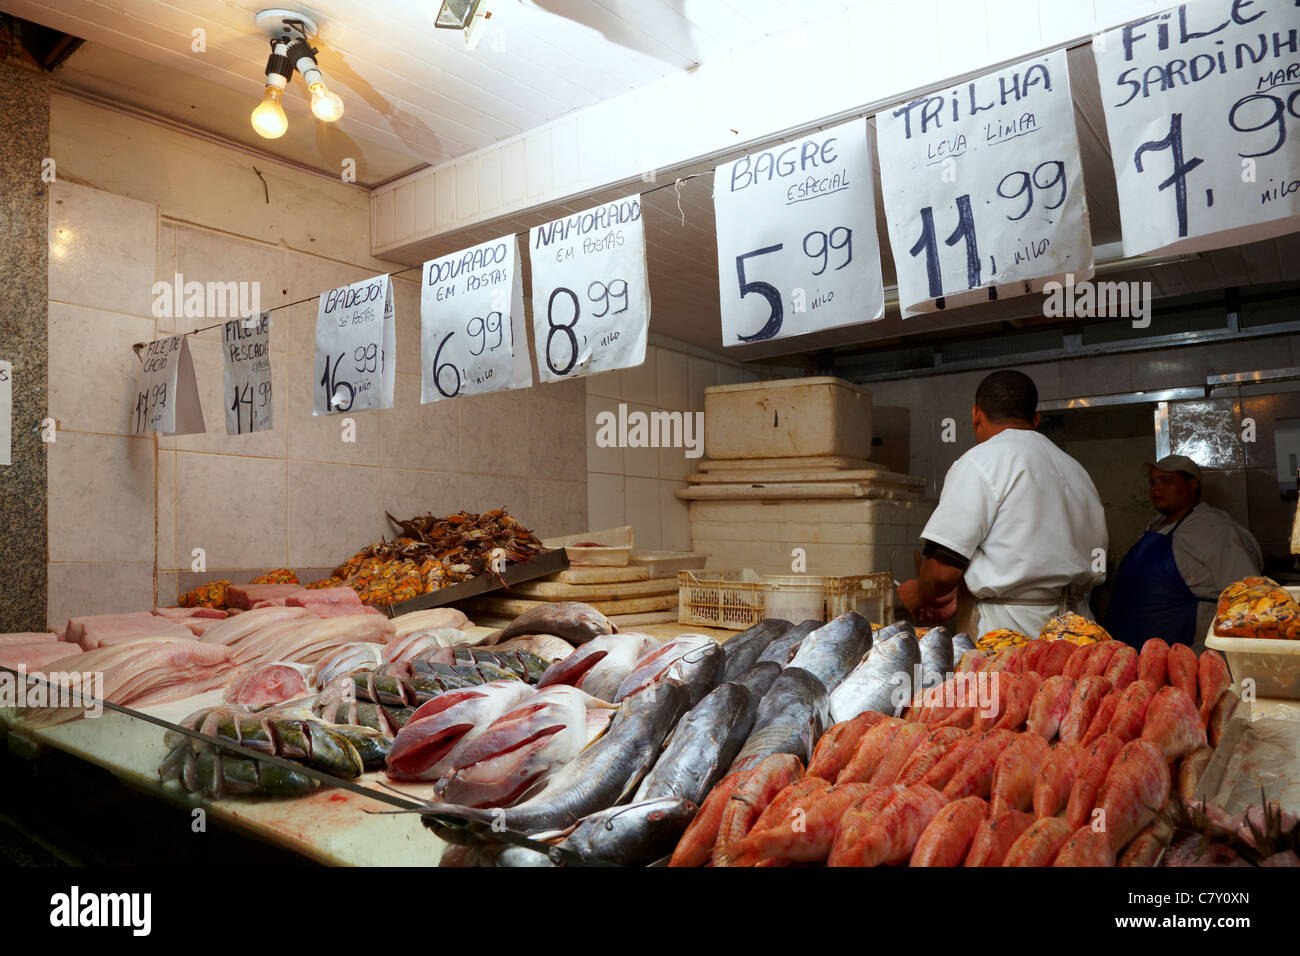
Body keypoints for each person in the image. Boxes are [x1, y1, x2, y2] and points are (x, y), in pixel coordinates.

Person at [897, 369, 1108, 638]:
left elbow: (940, 573)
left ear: (975, 415)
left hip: (1011, 634)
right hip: (1078, 631)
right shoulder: (1075, 469)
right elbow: (1027, 554)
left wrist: (919, 592)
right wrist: (965, 594)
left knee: (1011, 683)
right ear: (1035, 419)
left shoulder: (979, 462)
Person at [1106, 455, 1262, 650]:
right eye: (1152, 482)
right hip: (1135, 652)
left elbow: (1247, 594)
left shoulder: (1214, 527)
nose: (1156, 489)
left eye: (1166, 481)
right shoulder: (1155, 525)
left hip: (1188, 654)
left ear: (1192, 485)